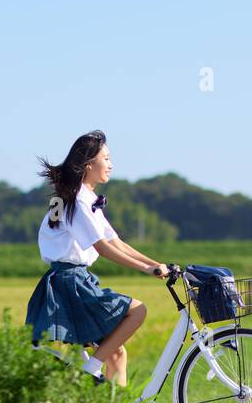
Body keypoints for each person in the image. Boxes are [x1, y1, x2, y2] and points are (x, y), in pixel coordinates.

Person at [24, 130, 169, 386]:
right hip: (71, 282)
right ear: (88, 164)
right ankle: (91, 367)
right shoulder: (78, 200)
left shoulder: (83, 197)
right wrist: (146, 270)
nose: (111, 164)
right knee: (137, 311)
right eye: (107, 158)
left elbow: (117, 242)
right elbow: (103, 247)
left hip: (71, 280)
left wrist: (154, 264)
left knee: (116, 354)